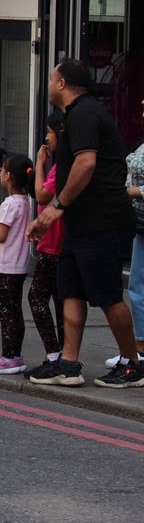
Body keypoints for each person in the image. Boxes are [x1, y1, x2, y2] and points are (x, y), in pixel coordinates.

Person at [27, 59, 143, 389]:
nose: (48, 83)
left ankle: (133, 364)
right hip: (80, 225)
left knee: (108, 296)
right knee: (71, 291)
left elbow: (86, 163)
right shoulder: (72, 116)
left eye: (51, 77)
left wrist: (56, 208)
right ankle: (68, 364)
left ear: (61, 83)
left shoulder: (85, 113)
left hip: (102, 222)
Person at [0, 156, 35, 375]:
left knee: (6, 312)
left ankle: (9, 356)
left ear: (8, 177)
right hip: (17, 264)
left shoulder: (10, 204)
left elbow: (0, 235)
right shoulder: (25, 201)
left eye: (2, 171)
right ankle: (14, 355)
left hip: (6, 265)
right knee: (14, 310)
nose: (0, 174)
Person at [31, 113, 66, 364]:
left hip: (54, 242)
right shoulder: (66, 164)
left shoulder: (59, 167)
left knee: (37, 296)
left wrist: (39, 164)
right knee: (60, 298)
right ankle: (64, 352)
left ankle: (54, 352)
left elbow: (42, 195)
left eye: (49, 132)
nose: (46, 138)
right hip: (57, 241)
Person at [123, 100, 144, 367]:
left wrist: (130, 192)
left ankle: (140, 348)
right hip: (140, 223)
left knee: (139, 286)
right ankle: (139, 346)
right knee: (137, 286)